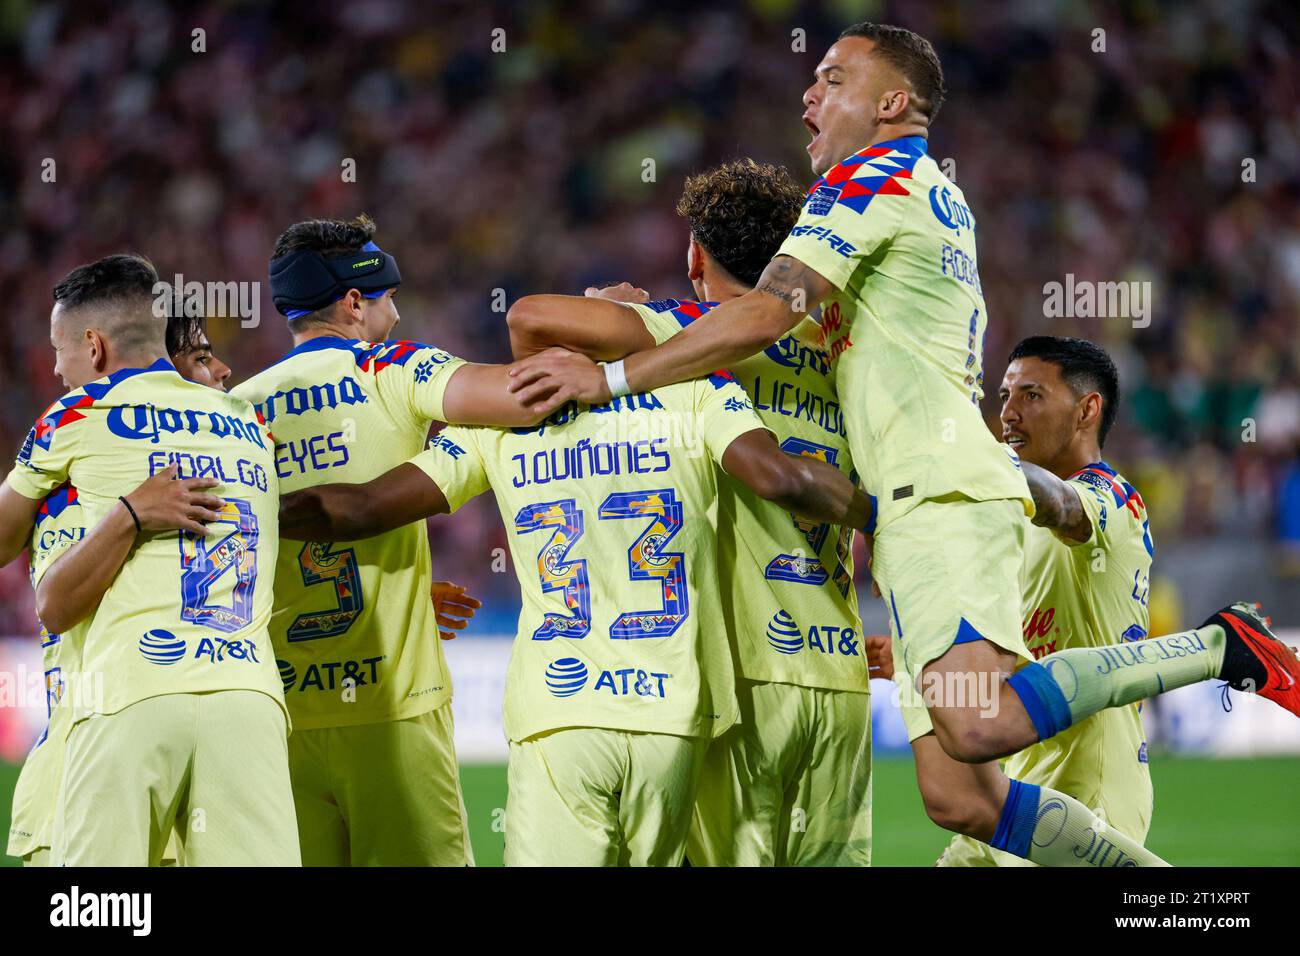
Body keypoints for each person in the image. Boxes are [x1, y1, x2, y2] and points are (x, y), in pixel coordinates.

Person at [504, 22, 1300, 866]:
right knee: (959, 795)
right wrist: (667, 308)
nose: (809, 95)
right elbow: (788, 329)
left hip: (939, 492)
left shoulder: (868, 175)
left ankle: (1220, 645)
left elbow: (767, 313)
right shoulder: (921, 192)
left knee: (979, 721)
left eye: (832, 78)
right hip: (920, 510)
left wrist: (617, 375)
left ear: (891, 102)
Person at [277, 364, 871, 865]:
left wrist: (239, 501)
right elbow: (779, 478)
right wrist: (889, 516)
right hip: (673, 715)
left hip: (561, 710)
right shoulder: (692, 392)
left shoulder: (493, 425)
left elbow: (359, 509)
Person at [507, 158, 871, 865]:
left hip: (738, 675)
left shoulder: (683, 332)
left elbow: (529, 318)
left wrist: (609, 313)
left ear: (695, 256)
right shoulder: (837, 351)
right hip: (839, 670)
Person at [230, 214, 544, 866]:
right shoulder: (393, 368)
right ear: (353, 302)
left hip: (280, 717)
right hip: (390, 711)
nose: (397, 316)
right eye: (388, 298)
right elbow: (517, 398)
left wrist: (386, 585)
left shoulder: (237, 407)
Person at [0, 255, 298, 866]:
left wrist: (123, 515)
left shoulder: (78, 418)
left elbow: (31, 578)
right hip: (249, 697)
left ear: (94, 345)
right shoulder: (249, 425)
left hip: (130, 694)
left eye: (60, 349)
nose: (57, 368)